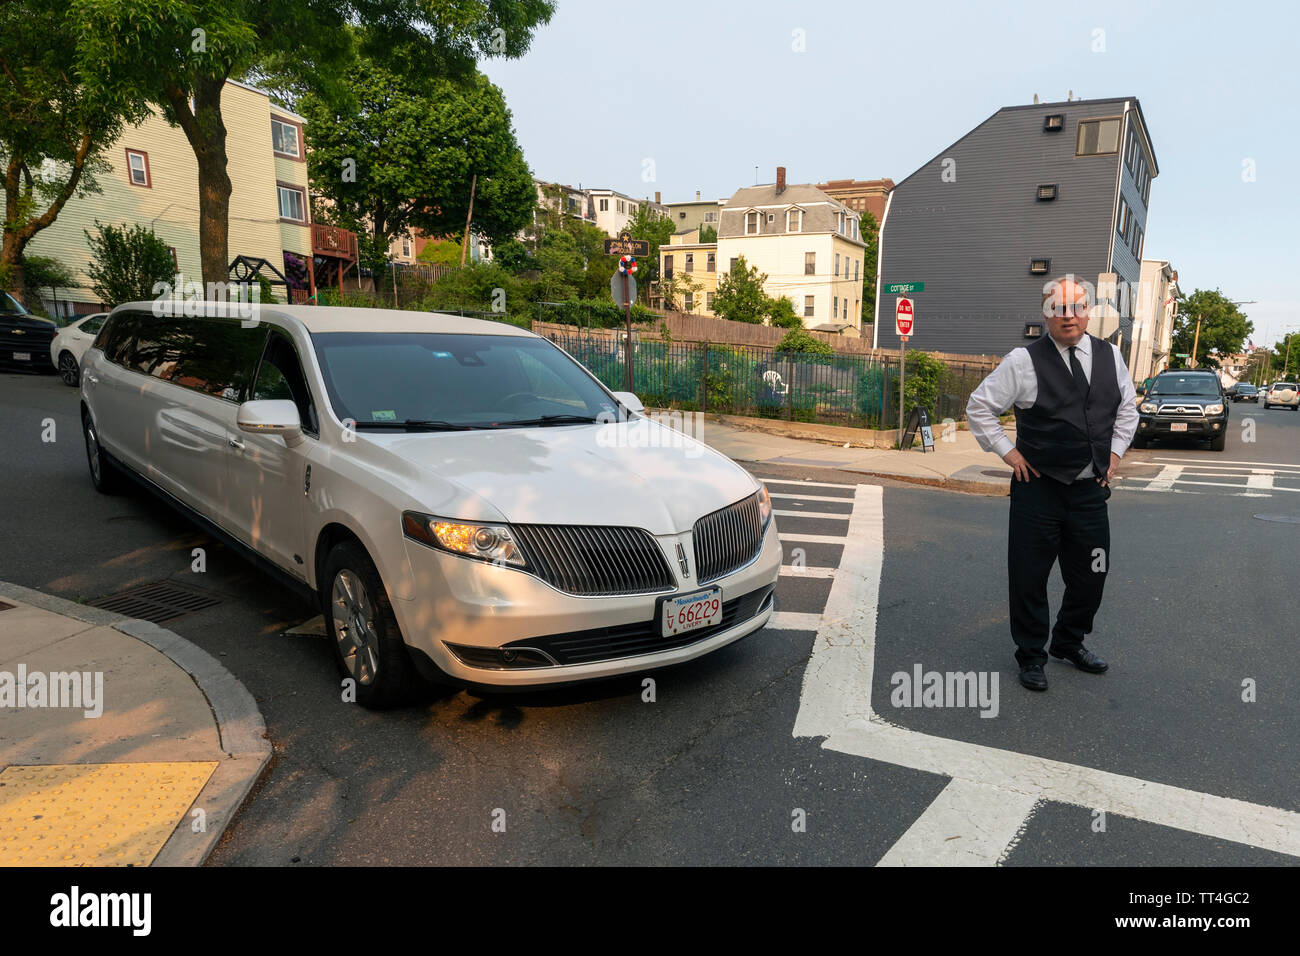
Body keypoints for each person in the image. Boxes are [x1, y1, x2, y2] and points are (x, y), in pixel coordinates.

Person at [965, 276, 1139, 691]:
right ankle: (1031, 655)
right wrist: (1009, 453)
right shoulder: (1023, 361)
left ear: (1089, 311)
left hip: (1088, 491)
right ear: (1046, 314)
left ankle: (1068, 640)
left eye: (1077, 307)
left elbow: (1128, 410)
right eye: (1059, 309)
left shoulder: (1110, 356)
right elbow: (979, 407)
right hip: (1038, 490)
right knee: (1029, 576)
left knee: (1093, 571)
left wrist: (1113, 456)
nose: (1069, 316)